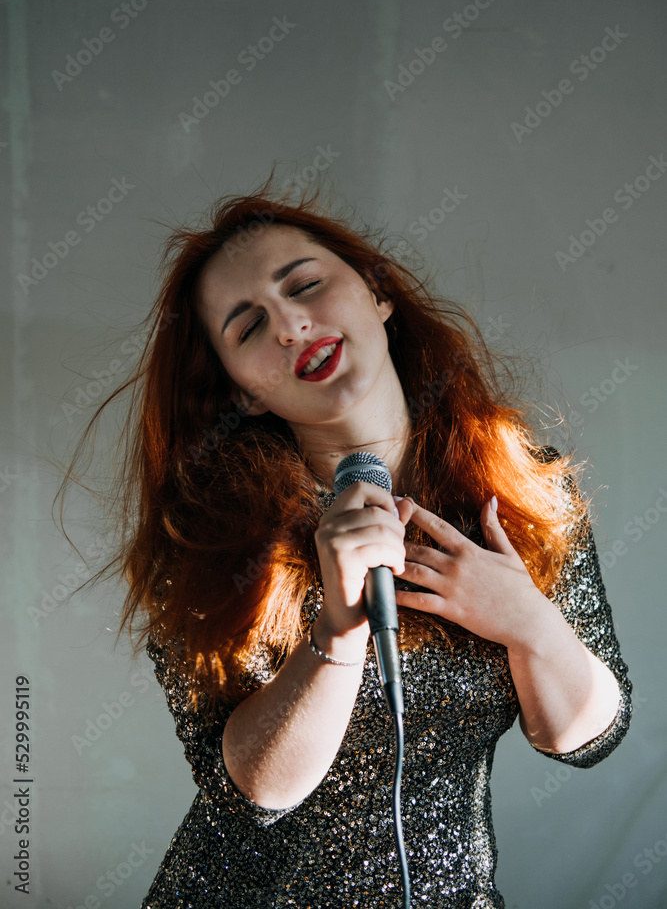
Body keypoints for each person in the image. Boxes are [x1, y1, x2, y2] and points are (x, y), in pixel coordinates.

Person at [57, 176, 631, 908]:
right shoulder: (210, 542)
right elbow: (253, 796)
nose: (291, 326)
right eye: (248, 326)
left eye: (303, 286)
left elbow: (584, 737)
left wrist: (525, 620)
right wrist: (337, 628)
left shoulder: (522, 489)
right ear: (242, 390)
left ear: (377, 293)